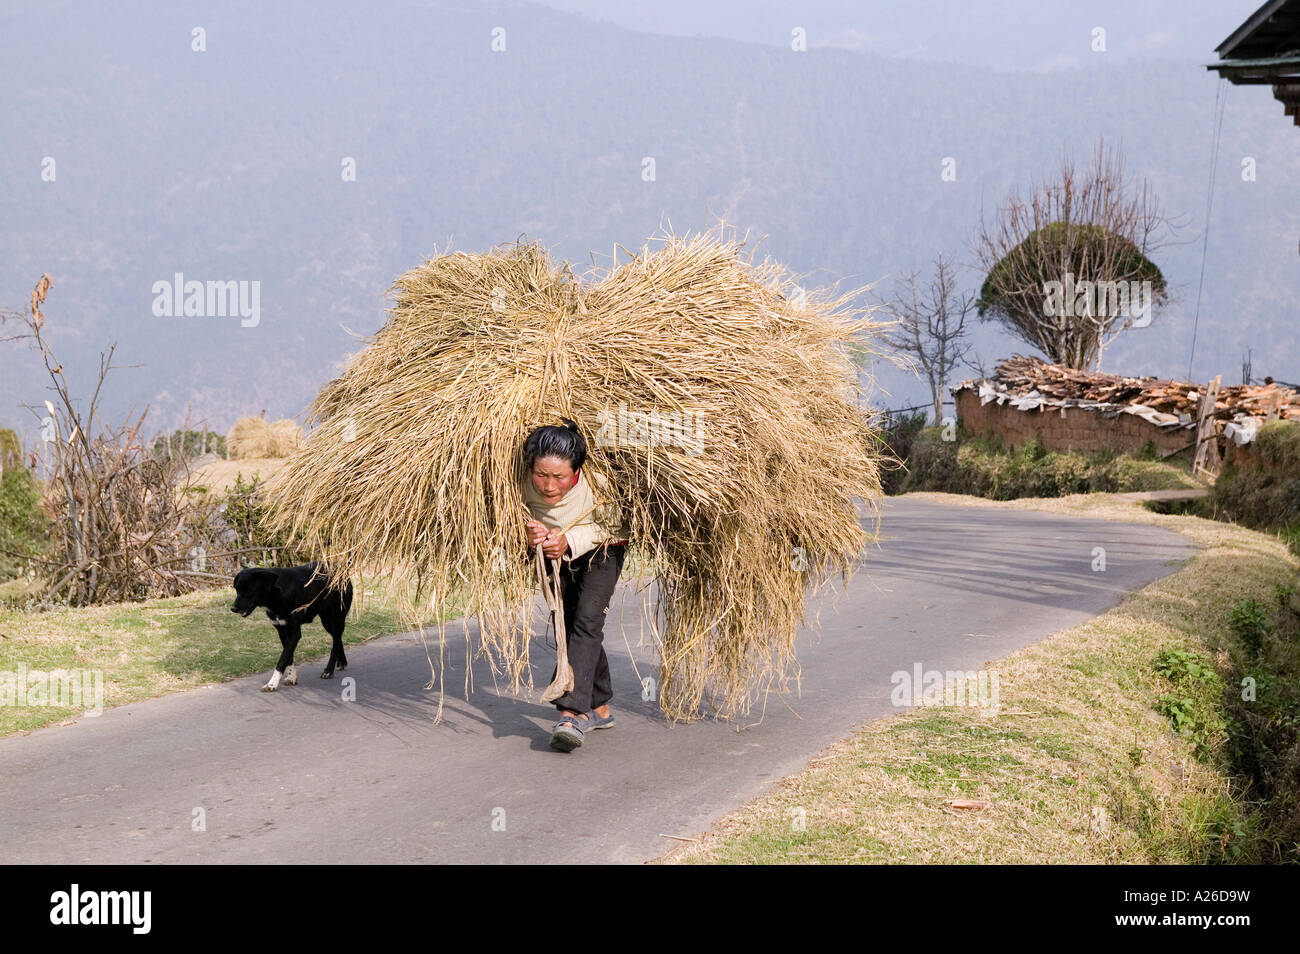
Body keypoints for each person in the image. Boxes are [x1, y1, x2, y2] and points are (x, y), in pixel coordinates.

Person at [520, 418, 631, 752]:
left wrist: (569, 539)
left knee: (587, 619)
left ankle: (572, 712)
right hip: (552, 554)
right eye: (541, 475)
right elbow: (511, 513)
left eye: (559, 477)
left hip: (604, 550)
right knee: (567, 622)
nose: (549, 486)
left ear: (576, 471)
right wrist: (530, 533)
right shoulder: (516, 482)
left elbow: (618, 524)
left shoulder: (599, 482)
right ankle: (600, 706)